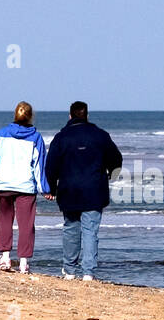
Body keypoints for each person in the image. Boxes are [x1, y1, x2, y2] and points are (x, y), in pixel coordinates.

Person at [45, 101, 122, 281]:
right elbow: (116, 158)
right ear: (87, 115)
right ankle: (88, 272)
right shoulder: (100, 136)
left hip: (69, 189)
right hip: (94, 189)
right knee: (90, 231)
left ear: (70, 116)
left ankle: (70, 270)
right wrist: (112, 174)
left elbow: (51, 166)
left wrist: (51, 188)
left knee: (71, 229)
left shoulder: (61, 137)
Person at [0, 102, 52, 273]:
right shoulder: (36, 137)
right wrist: (46, 189)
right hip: (25, 186)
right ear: (30, 116)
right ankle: (23, 262)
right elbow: (39, 166)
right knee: (26, 224)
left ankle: (5, 258)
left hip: (4, 183)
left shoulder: (2, 134)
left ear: (15, 114)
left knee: (4, 221)